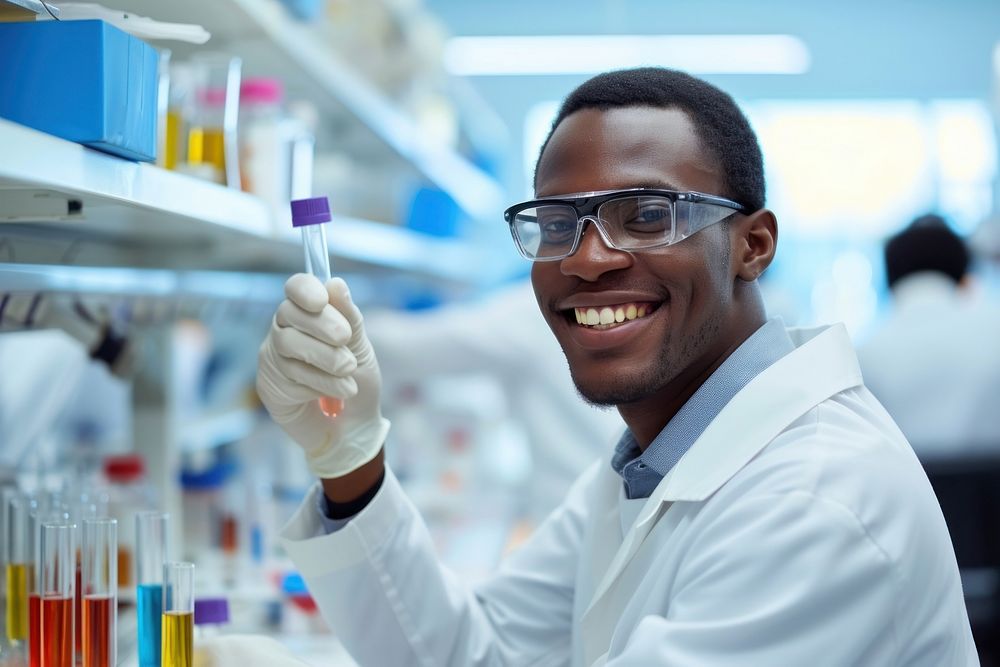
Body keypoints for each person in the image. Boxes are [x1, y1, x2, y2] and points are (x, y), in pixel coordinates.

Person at [258, 68, 976, 665]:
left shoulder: (814, 502)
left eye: (646, 214)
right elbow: (477, 652)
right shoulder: (654, 461)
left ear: (754, 244)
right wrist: (349, 459)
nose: (587, 257)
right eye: (558, 223)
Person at [364, 280, 623, 522]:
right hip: (594, 503)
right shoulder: (558, 305)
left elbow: (411, 347)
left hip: (574, 507)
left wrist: (345, 321)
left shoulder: (533, 309)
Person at [857, 215, 1000, 459]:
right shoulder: (994, 331)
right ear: (965, 278)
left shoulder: (862, 354)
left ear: (890, 278)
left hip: (902, 491)